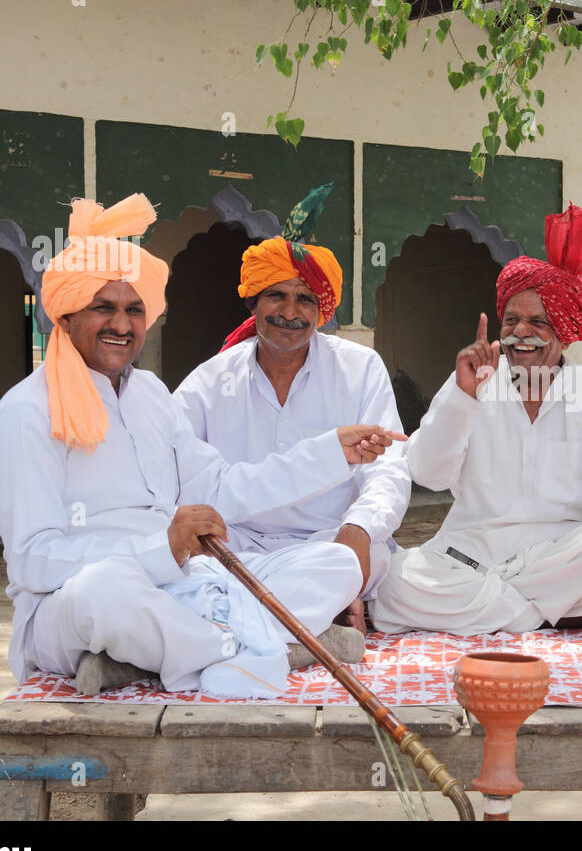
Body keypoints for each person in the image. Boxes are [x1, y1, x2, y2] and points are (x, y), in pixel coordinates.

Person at [0, 194, 403, 698]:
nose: (122, 324)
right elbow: (33, 561)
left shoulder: (151, 394)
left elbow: (221, 486)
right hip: (76, 602)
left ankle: (155, 657)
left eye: (134, 309)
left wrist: (332, 452)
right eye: (103, 308)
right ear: (64, 317)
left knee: (332, 562)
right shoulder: (24, 414)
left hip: (182, 583)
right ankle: (256, 649)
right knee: (105, 593)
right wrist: (160, 550)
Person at [371, 205, 582, 634]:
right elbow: (427, 472)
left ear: (564, 330)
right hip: (468, 554)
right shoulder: (472, 383)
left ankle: (505, 607)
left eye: (538, 322)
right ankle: (545, 614)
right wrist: (464, 399)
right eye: (513, 320)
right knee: (391, 580)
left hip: (560, 555)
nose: (521, 333)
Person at [174, 184, 409, 636]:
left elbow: (389, 471)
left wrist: (358, 529)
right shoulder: (209, 381)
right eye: (276, 296)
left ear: (322, 311)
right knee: (189, 565)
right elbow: (180, 475)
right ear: (254, 302)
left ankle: (226, 632)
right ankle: (301, 633)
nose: (289, 311)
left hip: (328, 540)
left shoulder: (359, 369)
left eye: (305, 299)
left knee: (360, 561)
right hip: (236, 542)